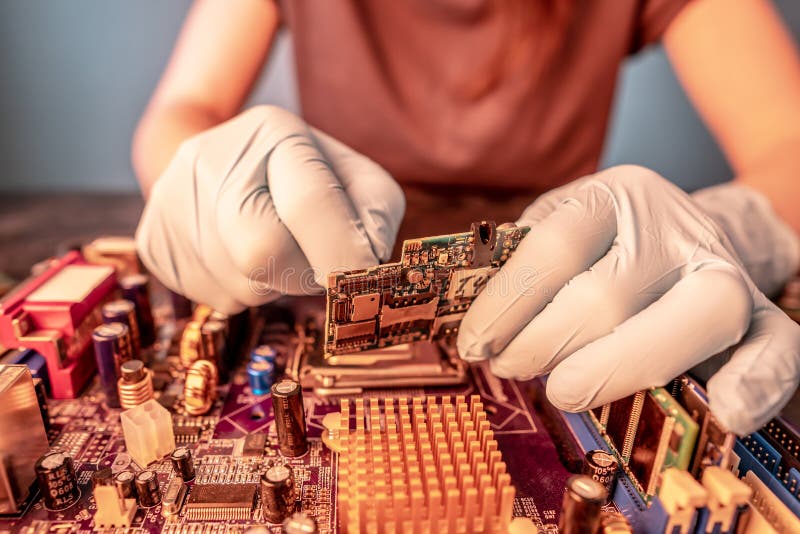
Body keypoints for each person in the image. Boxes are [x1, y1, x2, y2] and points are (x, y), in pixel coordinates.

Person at [133, 0, 800, 436]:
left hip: (568, 290)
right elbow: (185, 107)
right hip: (319, 282)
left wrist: (734, 226)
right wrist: (193, 177)